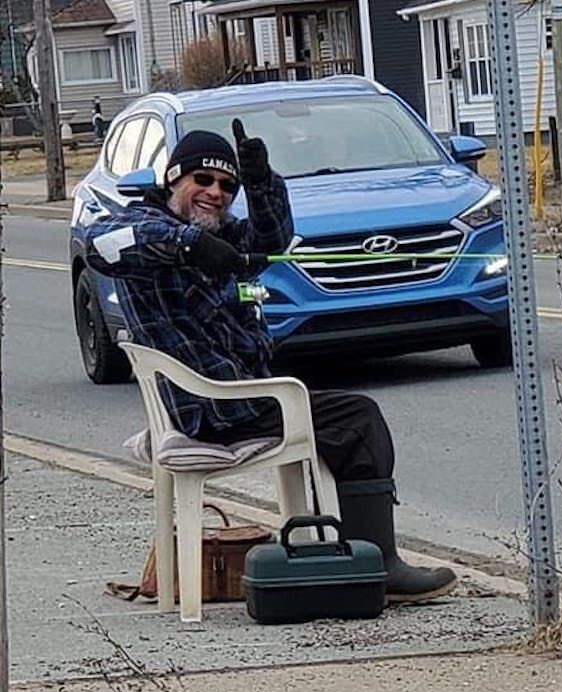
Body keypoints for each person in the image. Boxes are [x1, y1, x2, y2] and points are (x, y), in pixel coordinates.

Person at [83, 121, 457, 604]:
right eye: (202, 180)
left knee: (342, 416)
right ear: (173, 180)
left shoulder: (215, 233)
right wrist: (189, 246)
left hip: (244, 396)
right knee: (359, 420)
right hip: (215, 407)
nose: (214, 193)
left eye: (225, 187)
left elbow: (272, 239)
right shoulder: (143, 234)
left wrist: (261, 183)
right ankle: (380, 567)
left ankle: (345, 554)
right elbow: (101, 243)